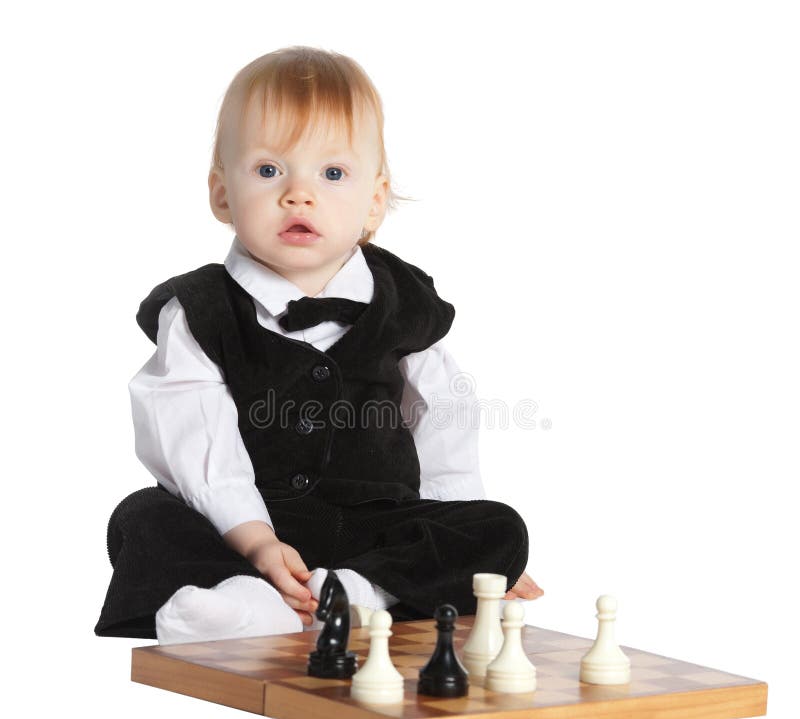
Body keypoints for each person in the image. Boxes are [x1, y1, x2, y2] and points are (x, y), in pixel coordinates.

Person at [94, 45, 543, 645]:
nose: (298, 195)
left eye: (332, 175)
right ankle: (250, 601)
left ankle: (359, 595)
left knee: (499, 529)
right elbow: (193, 435)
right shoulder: (200, 312)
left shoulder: (403, 306)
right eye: (268, 170)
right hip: (247, 520)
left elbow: (445, 427)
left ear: (374, 200)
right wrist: (254, 538)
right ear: (222, 193)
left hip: (371, 526)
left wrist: (465, 550)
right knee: (141, 518)